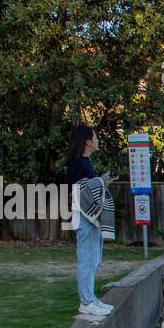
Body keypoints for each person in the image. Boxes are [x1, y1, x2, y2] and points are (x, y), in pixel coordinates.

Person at [65, 125, 116, 317]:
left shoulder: (85, 162)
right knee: (86, 259)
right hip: (84, 217)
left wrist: (102, 182)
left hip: (91, 218)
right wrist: (100, 182)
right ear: (87, 141)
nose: (97, 140)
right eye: (95, 137)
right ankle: (86, 301)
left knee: (93, 258)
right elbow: (77, 191)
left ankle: (92, 298)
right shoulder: (76, 164)